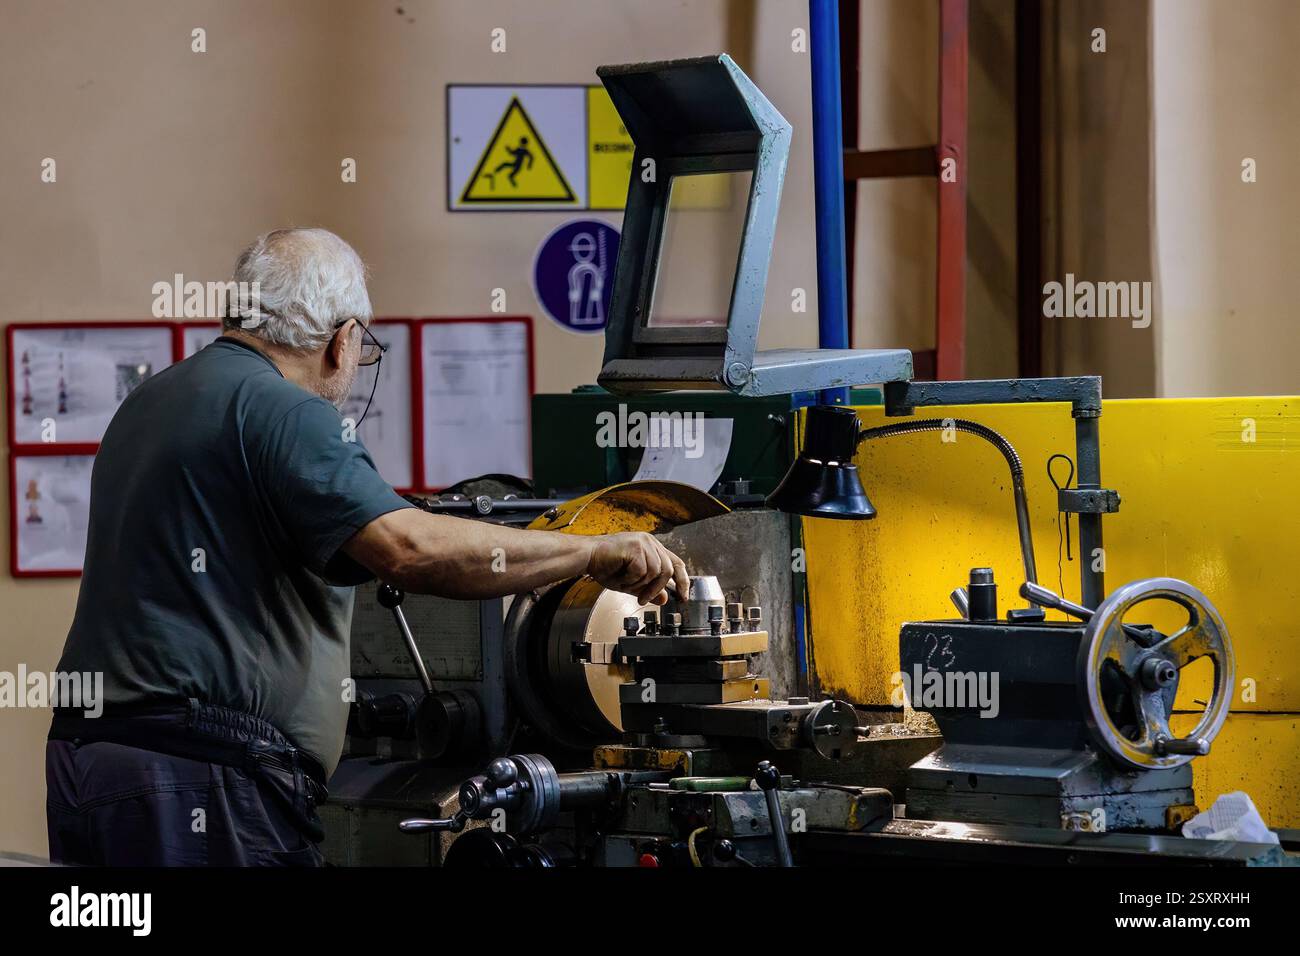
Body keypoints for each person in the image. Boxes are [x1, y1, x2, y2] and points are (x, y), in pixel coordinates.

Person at [46, 227, 687, 866]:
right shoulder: (284, 410)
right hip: (203, 779)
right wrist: (593, 552)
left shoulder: (153, 401)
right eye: (364, 348)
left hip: (95, 762)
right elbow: (406, 549)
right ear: (341, 338)